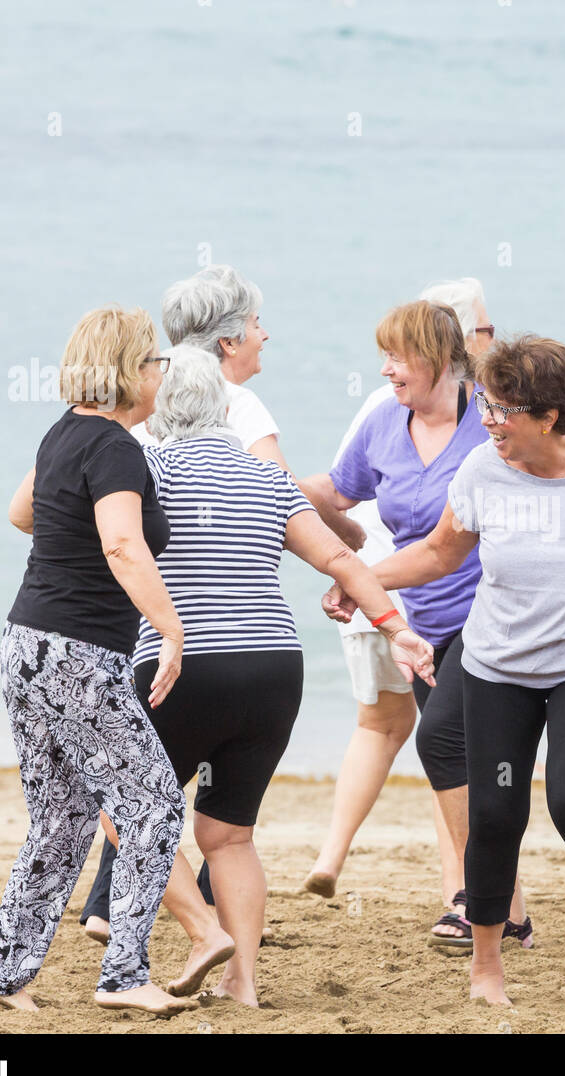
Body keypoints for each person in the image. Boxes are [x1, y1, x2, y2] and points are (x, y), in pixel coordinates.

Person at [326, 334, 565, 1007]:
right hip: (496, 663)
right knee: (495, 811)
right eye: (487, 409)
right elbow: (439, 553)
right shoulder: (482, 469)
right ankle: (487, 967)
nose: (489, 423)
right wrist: (362, 580)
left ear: (551, 416)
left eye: (504, 413)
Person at [113, 346, 434, 1006]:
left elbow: (110, 546)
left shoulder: (148, 470)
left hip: (182, 666)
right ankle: (244, 983)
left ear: (160, 411)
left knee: (126, 810)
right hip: (272, 672)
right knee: (228, 834)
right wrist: (394, 625)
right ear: (227, 408)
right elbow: (342, 560)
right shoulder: (268, 479)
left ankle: (203, 931)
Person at [80, 264, 363, 943]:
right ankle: (214, 930)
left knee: (144, 783)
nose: (266, 337)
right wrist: (347, 541)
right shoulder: (240, 407)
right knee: (218, 816)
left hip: (150, 616)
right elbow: (274, 483)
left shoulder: (147, 398)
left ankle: (111, 908)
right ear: (230, 343)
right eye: (258, 326)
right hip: (240, 639)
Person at [0, 305, 194, 1016]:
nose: (162, 372)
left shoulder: (62, 434)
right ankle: (125, 974)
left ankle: (1, 973)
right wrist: (172, 628)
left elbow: (21, 513)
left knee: (60, 818)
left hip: (24, 643)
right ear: (130, 371)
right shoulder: (118, 446)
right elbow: (123, 545)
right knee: (154, 805)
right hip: (77, 653)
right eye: (155, 361)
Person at [299, 300, 528, 950]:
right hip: (422, 624)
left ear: (436, 359)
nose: (386, 369)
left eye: (398, 357)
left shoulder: (487, 416)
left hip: (492, 616)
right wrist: (267, 480)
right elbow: (339, 492)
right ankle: (511, 912)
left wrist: (361, 579)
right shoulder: (381, 421)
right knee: (472, 765)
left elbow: (544, 474)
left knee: (447, 746)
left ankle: (478, 897)